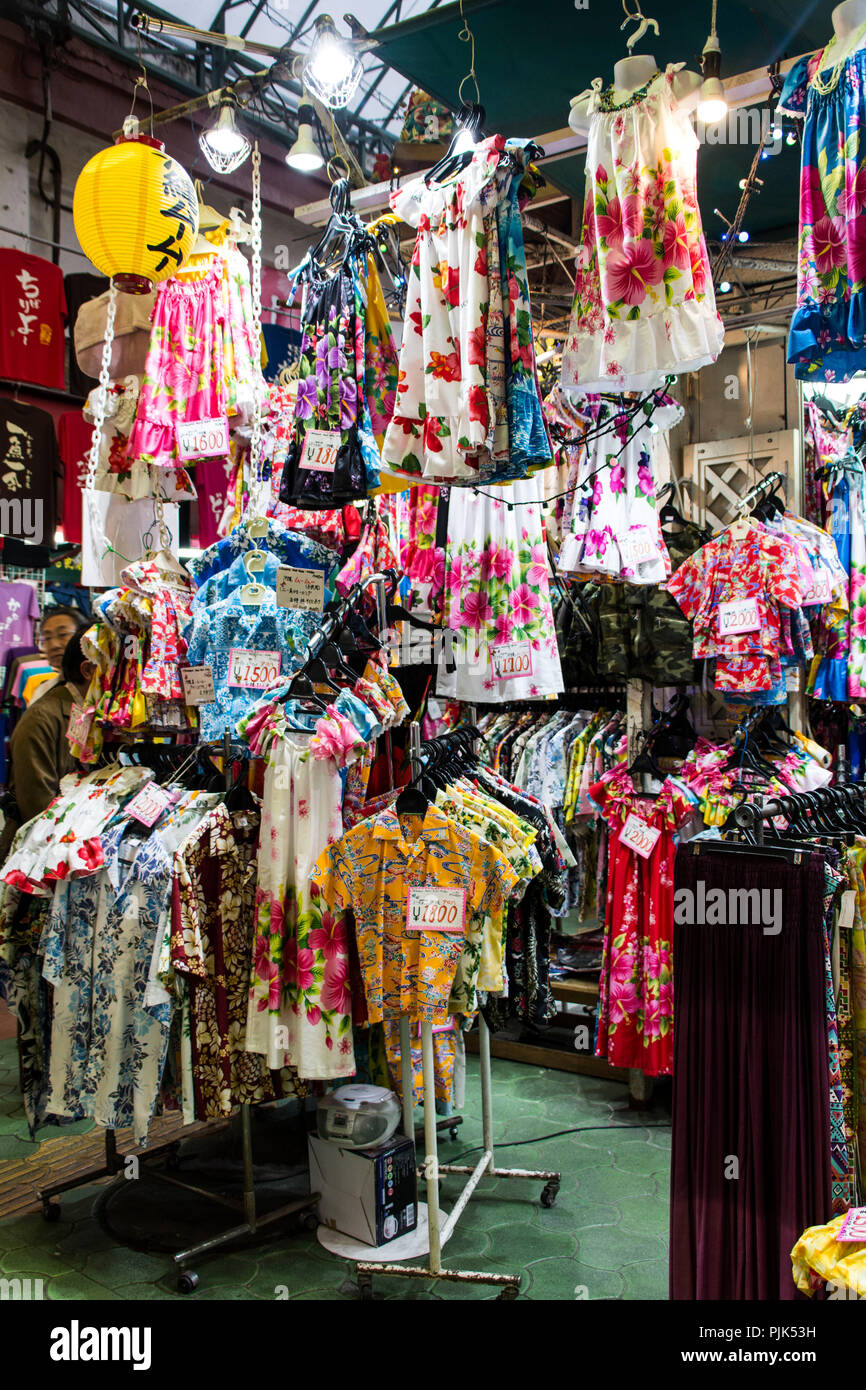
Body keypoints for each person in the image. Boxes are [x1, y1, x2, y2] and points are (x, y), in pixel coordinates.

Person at [0, 623, 94, 860]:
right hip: (40, 860)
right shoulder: (42, 718)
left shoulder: (95, 714)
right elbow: (38, 809)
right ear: (88, 670)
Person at [29, 604, 90, 704]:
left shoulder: (101, 688)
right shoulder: (43, 691)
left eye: (63, 634)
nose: (54, 645)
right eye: (48, 638)